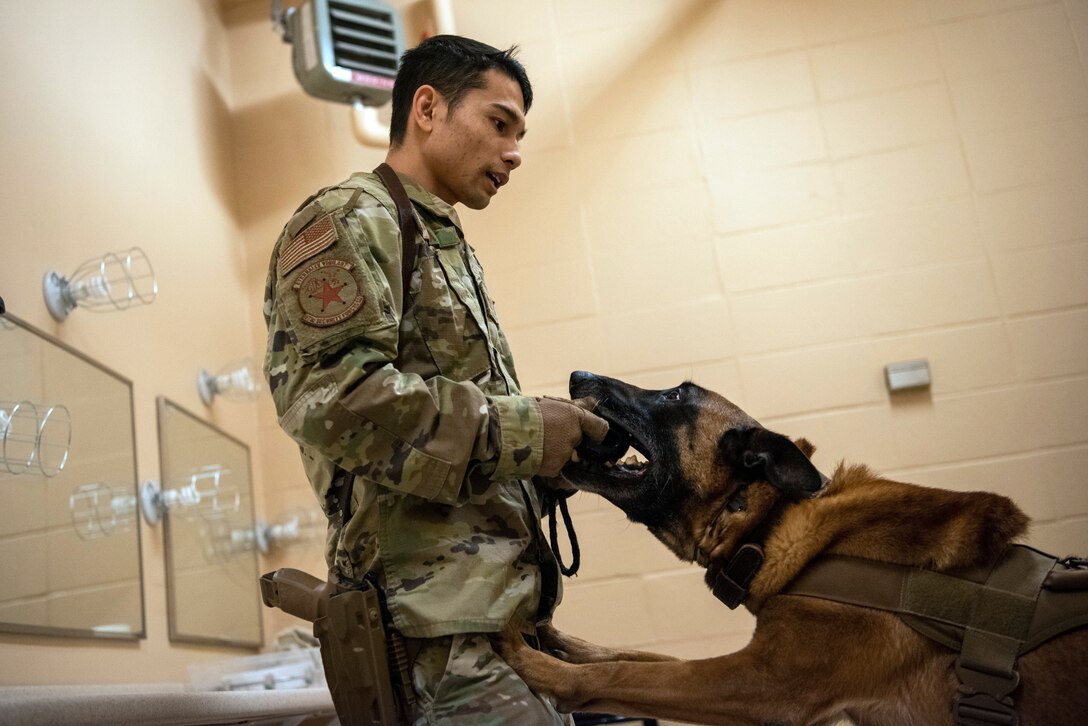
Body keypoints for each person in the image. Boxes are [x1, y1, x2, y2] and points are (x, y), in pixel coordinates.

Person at [263, 35, 608, 724]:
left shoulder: (441, 241)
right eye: (499, 123)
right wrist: (528, 432)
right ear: (427, 108)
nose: (514, 152)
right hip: (434, 636)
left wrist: (551, 464)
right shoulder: (351, 218)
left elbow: (444, 455)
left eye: (520, 135)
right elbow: (336, 400)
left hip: (497, 622)